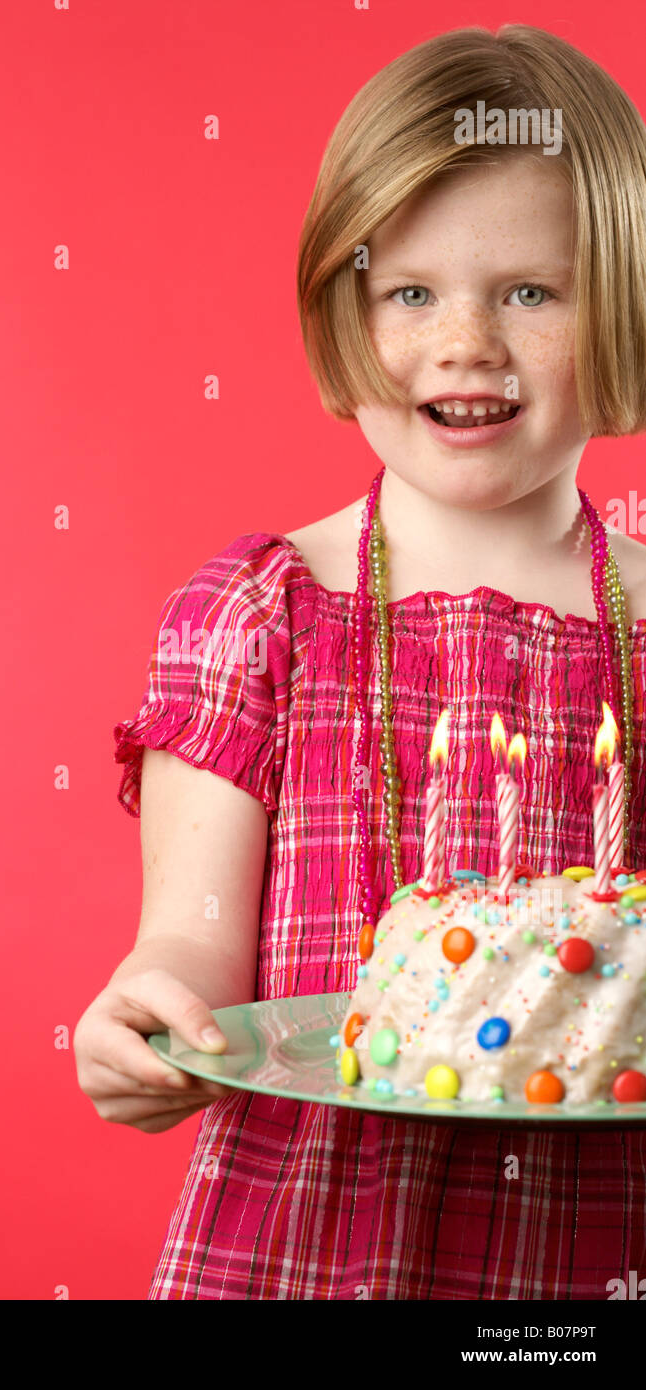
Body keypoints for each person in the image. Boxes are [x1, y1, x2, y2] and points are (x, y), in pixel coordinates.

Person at [74, 24, 646, 1298]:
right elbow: (190, 940)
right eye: (410, 293)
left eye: (530, 292)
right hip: (319, 1244)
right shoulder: (262, 610)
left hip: (602, 1250)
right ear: (344, 304)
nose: (465, 343)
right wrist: (150, 1012)